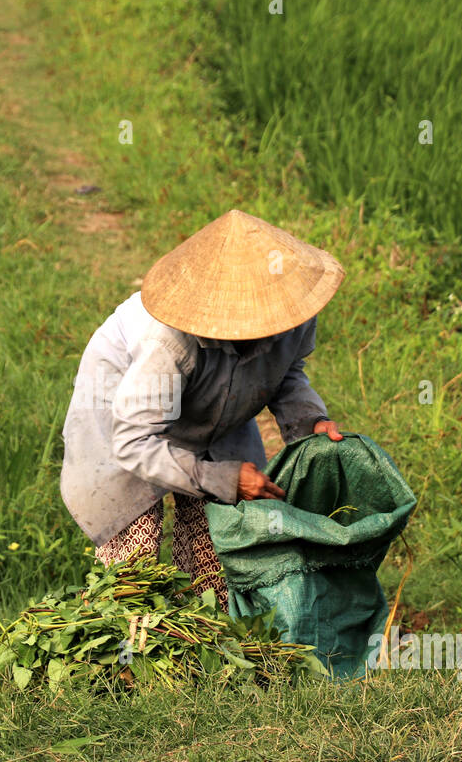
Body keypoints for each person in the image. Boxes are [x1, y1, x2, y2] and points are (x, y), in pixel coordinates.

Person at [59, 209, 346, 609]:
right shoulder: (168, 343)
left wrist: (310, 422)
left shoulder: (293, 312)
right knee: (133, 561)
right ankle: (128, 646)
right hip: (130, 415)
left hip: (213, 400)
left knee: (220, 545)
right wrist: (222, 477)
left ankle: (212, 631)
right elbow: (134, 443)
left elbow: (286, 373)